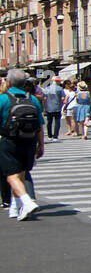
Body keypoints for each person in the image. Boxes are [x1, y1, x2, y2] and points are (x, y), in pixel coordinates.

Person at [1, 69, 44, 221]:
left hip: (10, 141)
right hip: (30, 141)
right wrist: (41, 145)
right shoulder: (33, 99)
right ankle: (15, 207)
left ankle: (26, 202)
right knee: (21, 174)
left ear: (9, 82)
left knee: (11, 176)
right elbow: (40, 124)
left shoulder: (4, 99)